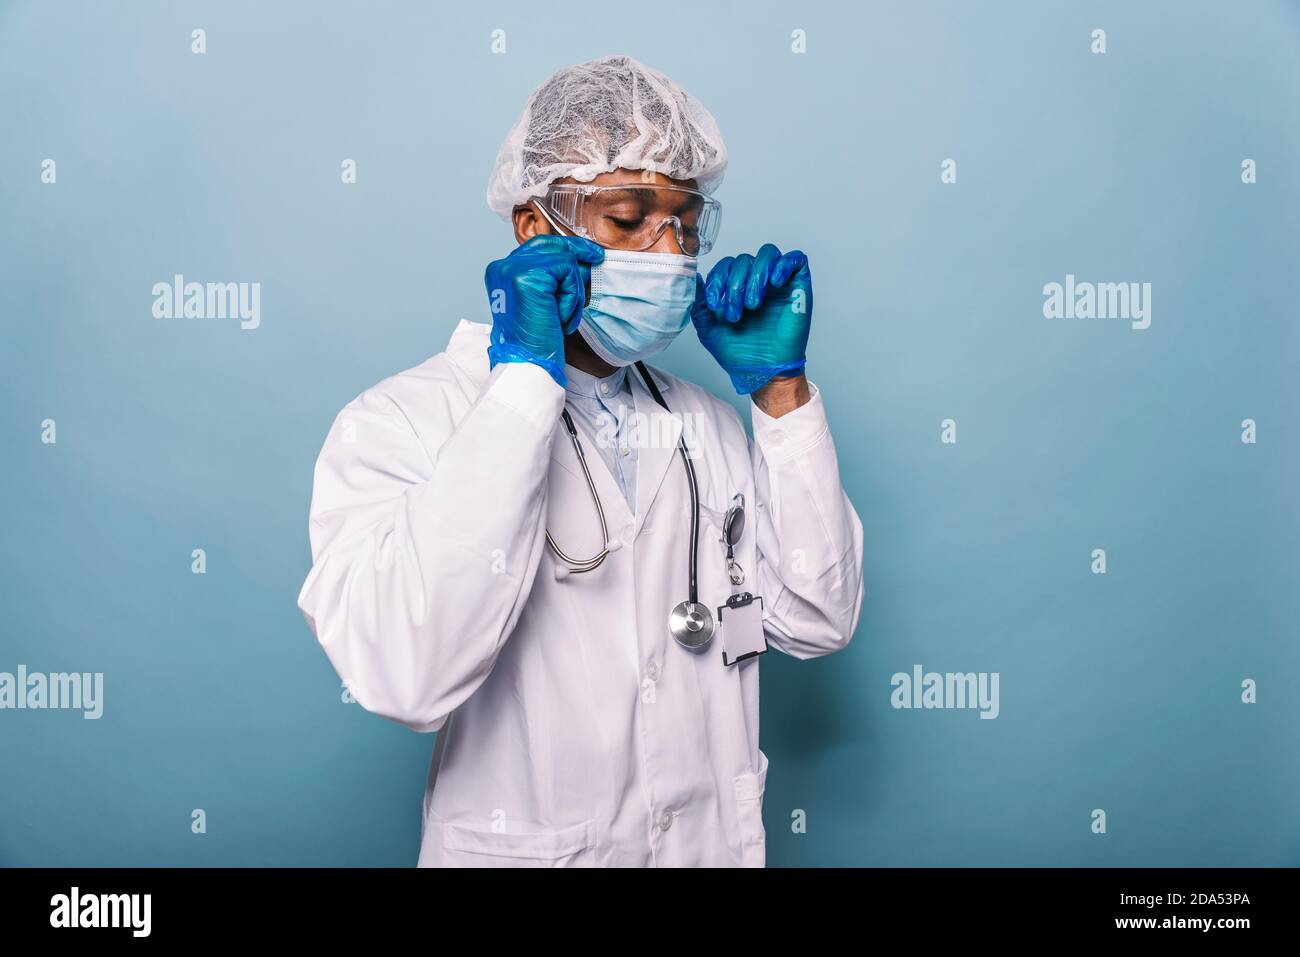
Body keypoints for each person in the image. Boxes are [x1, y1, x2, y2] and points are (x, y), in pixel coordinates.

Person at [297, 54, 865, 867]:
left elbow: (816, 619)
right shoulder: (400, 420)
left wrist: (781, 396)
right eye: (630, 216)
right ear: (536, 228)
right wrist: (525, 383)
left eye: (686, 223)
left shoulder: (704, 425)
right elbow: (405, 675)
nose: (668, 253)